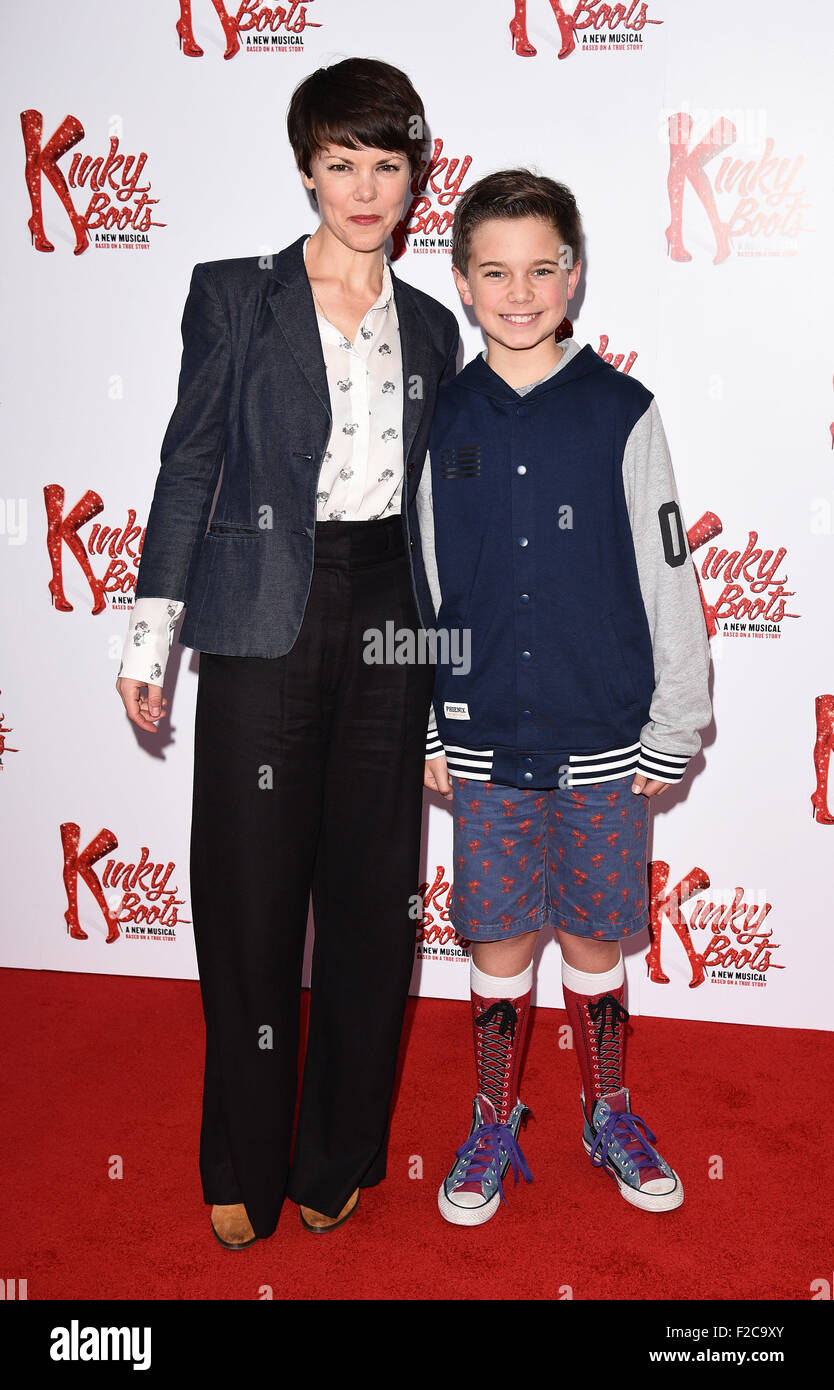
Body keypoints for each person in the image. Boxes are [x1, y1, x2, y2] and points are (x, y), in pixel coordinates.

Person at [116, 57, 459, 1247]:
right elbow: (187, 465)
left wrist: (438, 696)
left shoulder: (433, 326)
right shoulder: (236, 295)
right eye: (339, 164)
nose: (364, 188)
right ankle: (242, 1154)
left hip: (385, 610)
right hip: (264, 603)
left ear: (416, 175)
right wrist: (152, 634)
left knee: (372, 900)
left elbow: (431, 519)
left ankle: (341, 1147)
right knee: (250, 896)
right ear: (306, 168)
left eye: (386, 163)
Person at [421, 169, 712, 1226]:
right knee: (497, 945)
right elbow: (423, 580)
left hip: (605, 737)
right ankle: (494, 1118)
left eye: (542, 267)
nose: (520, 289)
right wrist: (424, 720)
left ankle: (607, 1108)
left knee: (595, 942)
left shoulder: (625, 413)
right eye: (495, 270)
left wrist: (676, 721)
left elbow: (671, 572)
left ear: (574, 273)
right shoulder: (442, 415)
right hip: (485, 738)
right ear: (461, 281)